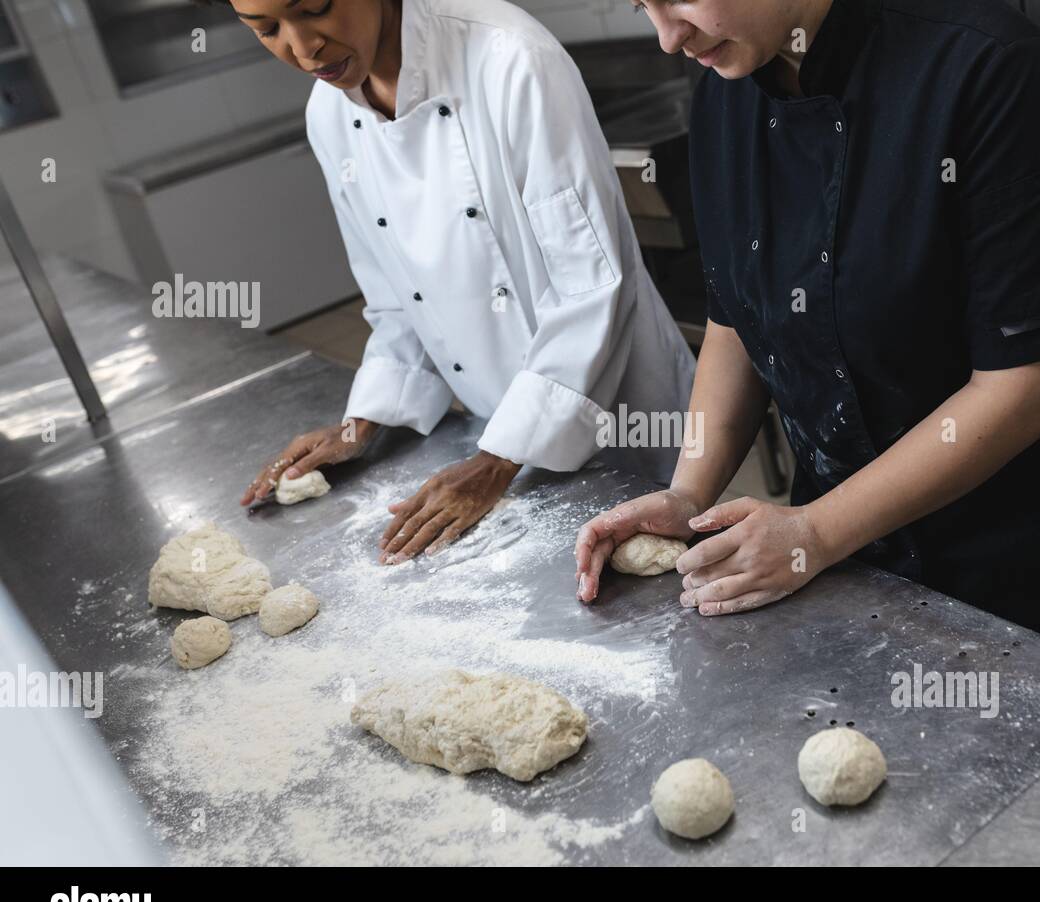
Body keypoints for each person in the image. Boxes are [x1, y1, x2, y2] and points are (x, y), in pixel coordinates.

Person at [575, 0, 1040, 671]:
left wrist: (814, 531)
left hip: (1037, 557)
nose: (668, 38)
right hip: (860, 554)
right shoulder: (727, 95)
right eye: (644, 6)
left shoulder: (993, 72)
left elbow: (1029, 384)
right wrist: (688, 494)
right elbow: (737, 315)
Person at [203, 0, 695, 562]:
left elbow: (593, 286)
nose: (301, 47)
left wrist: (500, 461)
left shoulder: (509, 58)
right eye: (266, 30)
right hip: (498, 438)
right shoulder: (329, 114)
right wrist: (360, 424)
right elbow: (395, 299)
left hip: (624, 424)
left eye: (314, 8)